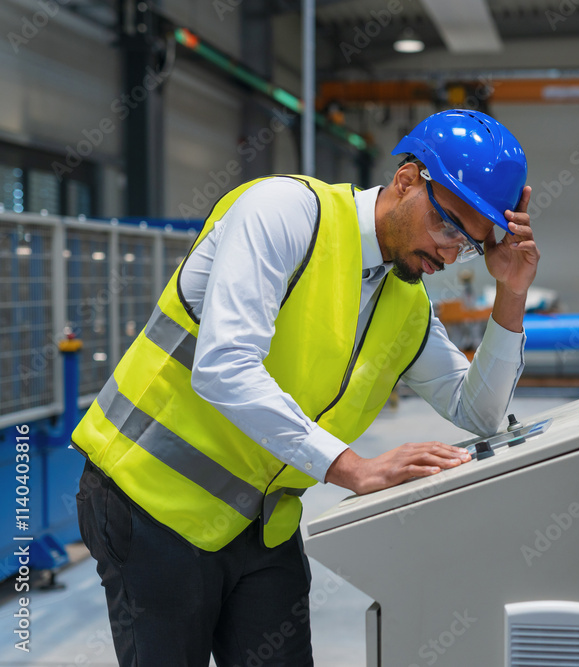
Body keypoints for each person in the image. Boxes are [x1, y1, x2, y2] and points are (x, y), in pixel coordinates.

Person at [72, 109, 536, 666]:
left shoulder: (406, 305)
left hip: (262, 525)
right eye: (448, 227)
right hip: (148, 503)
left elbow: (480, 414)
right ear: (409, 180)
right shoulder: (285, 213)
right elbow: (225, 366)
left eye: (469, 245)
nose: (448, 253)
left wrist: (510, 291)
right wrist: (353, 468)